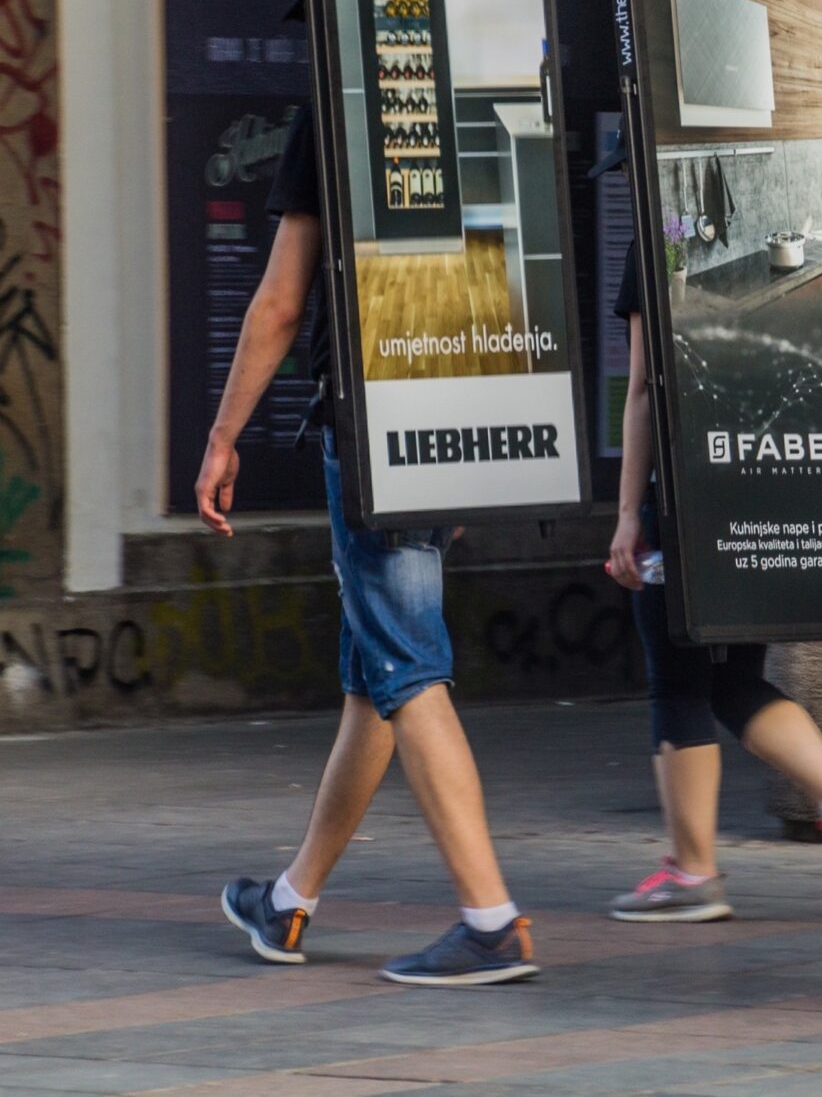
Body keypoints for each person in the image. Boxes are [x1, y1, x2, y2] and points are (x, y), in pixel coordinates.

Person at [198, 87, 537, 986]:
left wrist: (223, 436)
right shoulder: (466, 96)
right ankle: (289, 899)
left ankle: (489, 921)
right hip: (454, 412)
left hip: (373, 426)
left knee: (408, 667)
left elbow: (280, 300)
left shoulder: (335, 106)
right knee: (374, 675)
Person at [592, 137, 822, 919]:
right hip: (762, 487)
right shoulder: (763, 232)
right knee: (730, 680)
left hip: (688, 496)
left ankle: (693, 873)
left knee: (677, 680)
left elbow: (643, 390)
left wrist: (628, 516)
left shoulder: (657, 246)